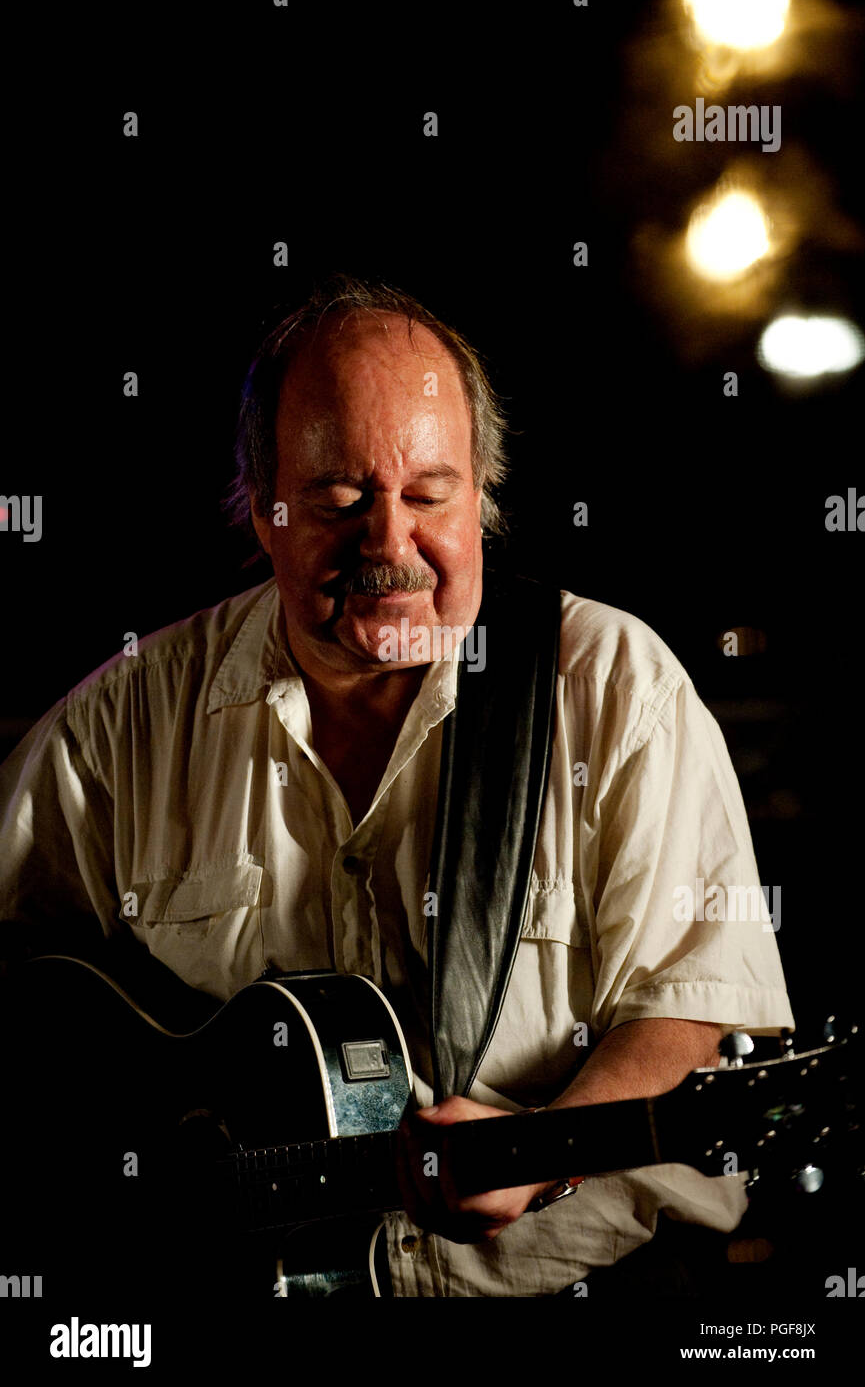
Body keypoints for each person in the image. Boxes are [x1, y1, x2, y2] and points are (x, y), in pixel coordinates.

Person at [0, 277, 794, 1297]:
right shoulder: (117, 728)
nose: (388, 544)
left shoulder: (612, 686)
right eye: (339, 497)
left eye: (429, 494)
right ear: (262, 499)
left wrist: (549, 1146)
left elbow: (691, 1006)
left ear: (483, 497)